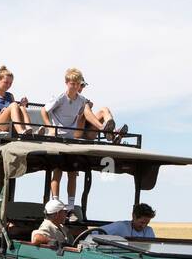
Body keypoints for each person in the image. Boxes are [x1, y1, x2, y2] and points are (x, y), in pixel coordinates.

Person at [41, 68, 128, 210]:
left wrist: (86, 109)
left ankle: (70, 207)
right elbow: (44, 111)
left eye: (79, 84)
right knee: (57, 171)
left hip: (74, 137)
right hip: (61, 138)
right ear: (67, 83)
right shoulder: (61, 97)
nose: (77, 87)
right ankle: (55, 204)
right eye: (74, 84)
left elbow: (81, 115)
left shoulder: (81, 100)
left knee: (72, 173)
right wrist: (50, 128)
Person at [0, 66, 32, 136]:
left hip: (10, 125)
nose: (8, 85)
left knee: (22, 107)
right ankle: (20, 131)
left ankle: (29, 128)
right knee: (13, 105)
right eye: (6, 82)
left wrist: (21, 105)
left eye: (10, 83)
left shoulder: (10, 96)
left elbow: (14, 112)